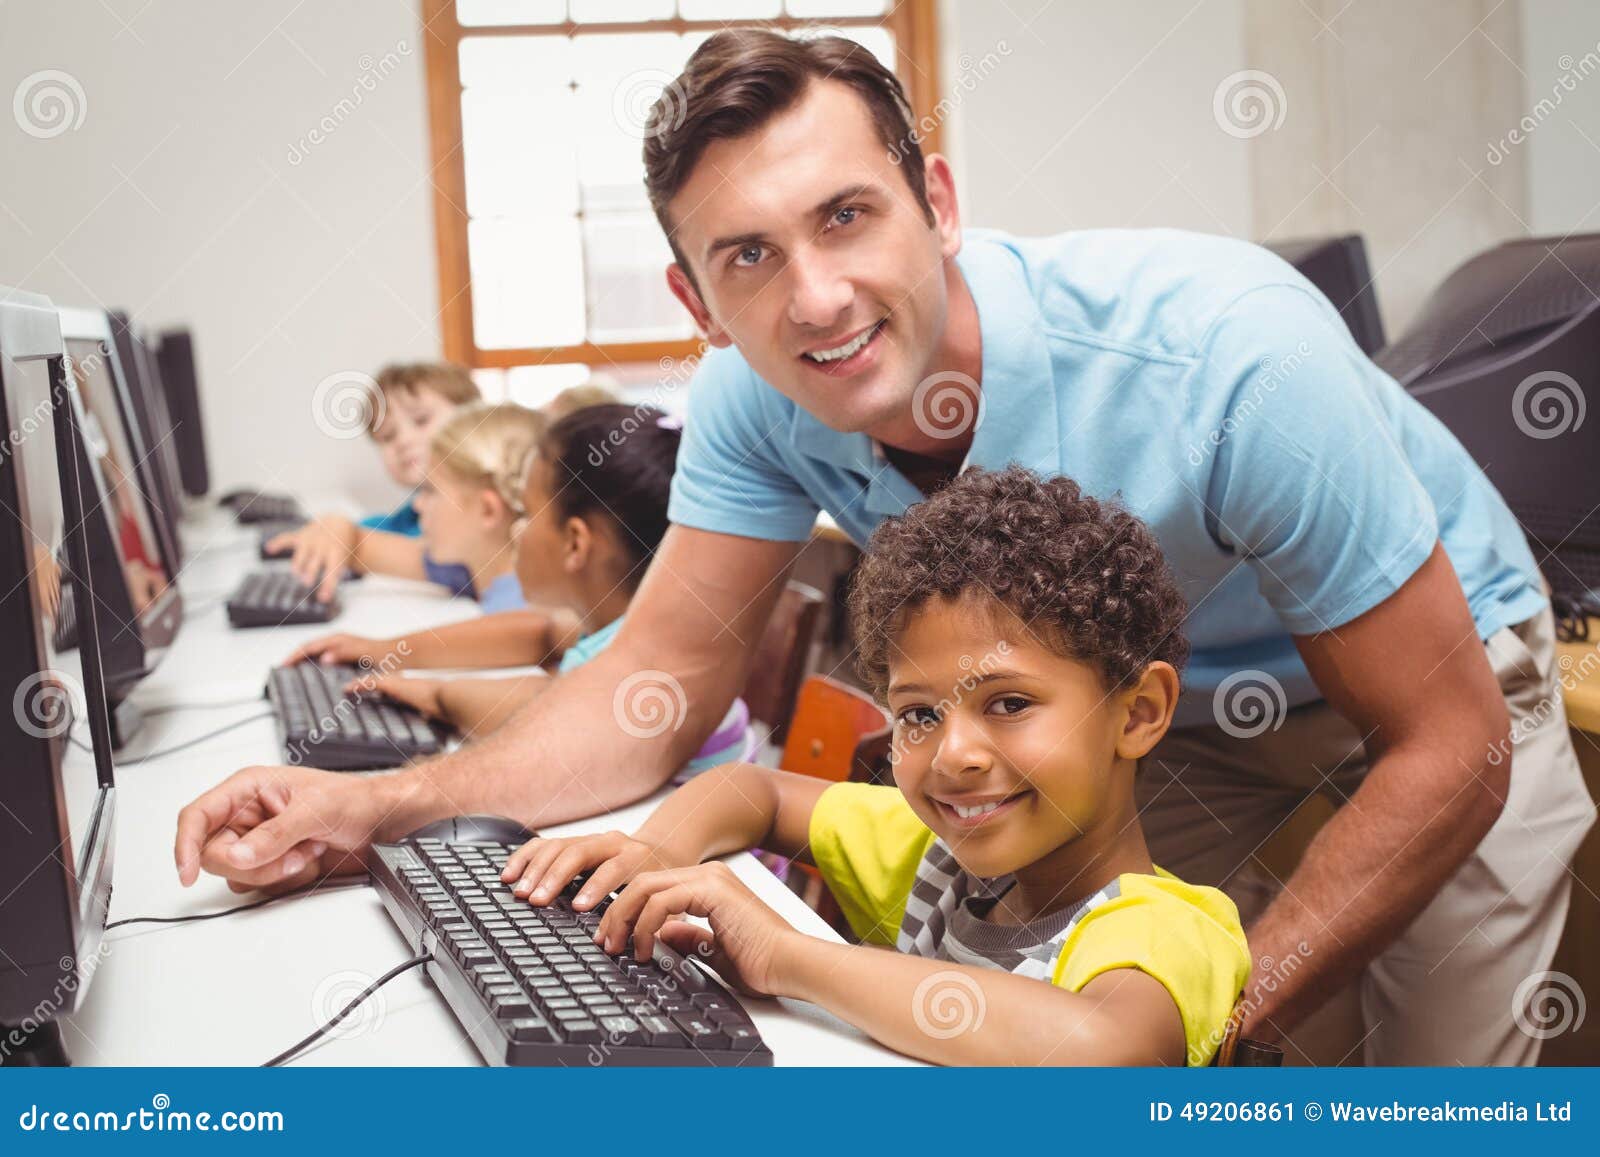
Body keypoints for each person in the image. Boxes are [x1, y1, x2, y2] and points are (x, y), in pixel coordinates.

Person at [175, 29, 1594, 1065]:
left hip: (1437, 682)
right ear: (695, 295)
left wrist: (1222, 1005)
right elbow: (647, 685)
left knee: (1401, 1079)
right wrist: (385, 805)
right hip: (1153, 711)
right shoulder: (756, 399)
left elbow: (1444, 739)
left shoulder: (1227, 352)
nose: (819, 296)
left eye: (846, 216)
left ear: (940, 201)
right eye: (749, 257)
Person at [503, 467, 1250, 1065]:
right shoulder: (937, 855)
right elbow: (750, 786)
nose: (954, 755)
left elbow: (1101, 1050)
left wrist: (785, 957)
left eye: (1010, 703)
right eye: (920, 713)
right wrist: (658, 853)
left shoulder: (1166, 930)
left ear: (1140, 711)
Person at [325, 404, 757, 765]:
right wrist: (386, 653)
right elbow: (538, 633)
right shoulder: (639, 626)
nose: (517, 531)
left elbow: (538, 710)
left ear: (575, 544)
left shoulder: (638, 681)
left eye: (528, 514)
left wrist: (439, 696)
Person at [269, 362, 481, 601]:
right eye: (388, 436)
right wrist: (336, 531)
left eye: (421, 421)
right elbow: (381, 528)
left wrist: (355, 542)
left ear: (476, 419)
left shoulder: (484, 510)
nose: (403, 441)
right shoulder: (413, 513)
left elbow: (453, 566)